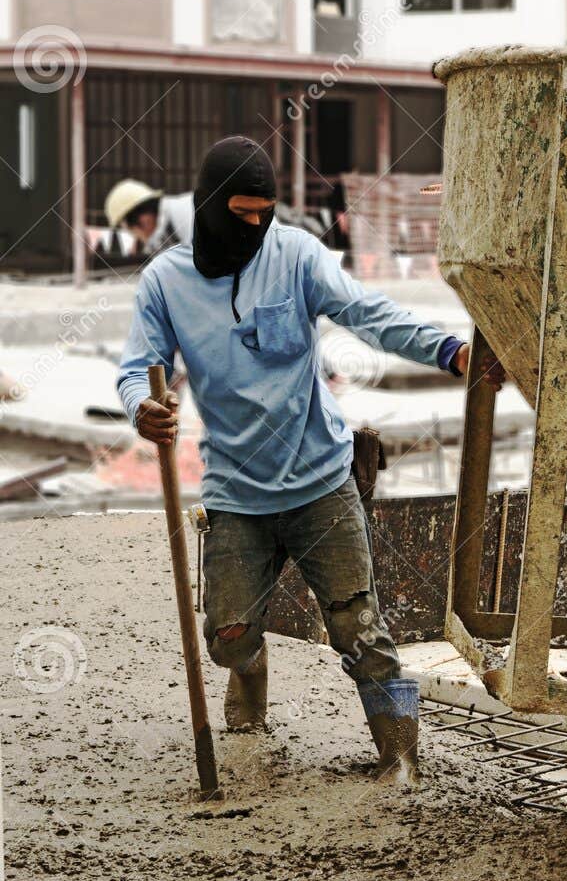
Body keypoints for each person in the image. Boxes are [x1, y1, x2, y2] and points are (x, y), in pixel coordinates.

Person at [116, 136, 503, 788]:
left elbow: (369, 313)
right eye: (241, 214)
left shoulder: (296, 254)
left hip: (321, 481)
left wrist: (449, 351)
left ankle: (401, 757)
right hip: (236, 492)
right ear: (210, 206)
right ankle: (250, 674)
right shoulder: (165, 282)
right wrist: (141, 407)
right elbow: (138, 368)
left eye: (265, 213)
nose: (256, 227)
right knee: (228, 635)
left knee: (362, 630)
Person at [104, 178, 195, 254]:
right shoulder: (173, 221)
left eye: (133, 232)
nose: (139, 239)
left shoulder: (185, 217)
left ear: (144, 220)